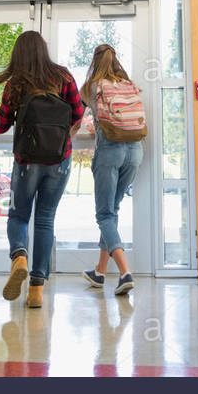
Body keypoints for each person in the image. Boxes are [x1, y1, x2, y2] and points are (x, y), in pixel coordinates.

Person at [0, 31, 85, 308]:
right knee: (45, 219)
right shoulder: (64, 77)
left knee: (18, 216)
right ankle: (36, 290)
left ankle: (19, 257)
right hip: (59, 159)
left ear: (19, 55)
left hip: (26, 161)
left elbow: (2, 124)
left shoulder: (16, 84)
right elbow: (76, 114)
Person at [78, 44, 143, 296]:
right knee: (112, 211)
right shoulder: (129, 84)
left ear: (94, 62)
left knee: (104, 215)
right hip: (135, 151)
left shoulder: (90, 87)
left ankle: (125, 272)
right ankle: (100, 271)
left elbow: (81, 114)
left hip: (110, 152)